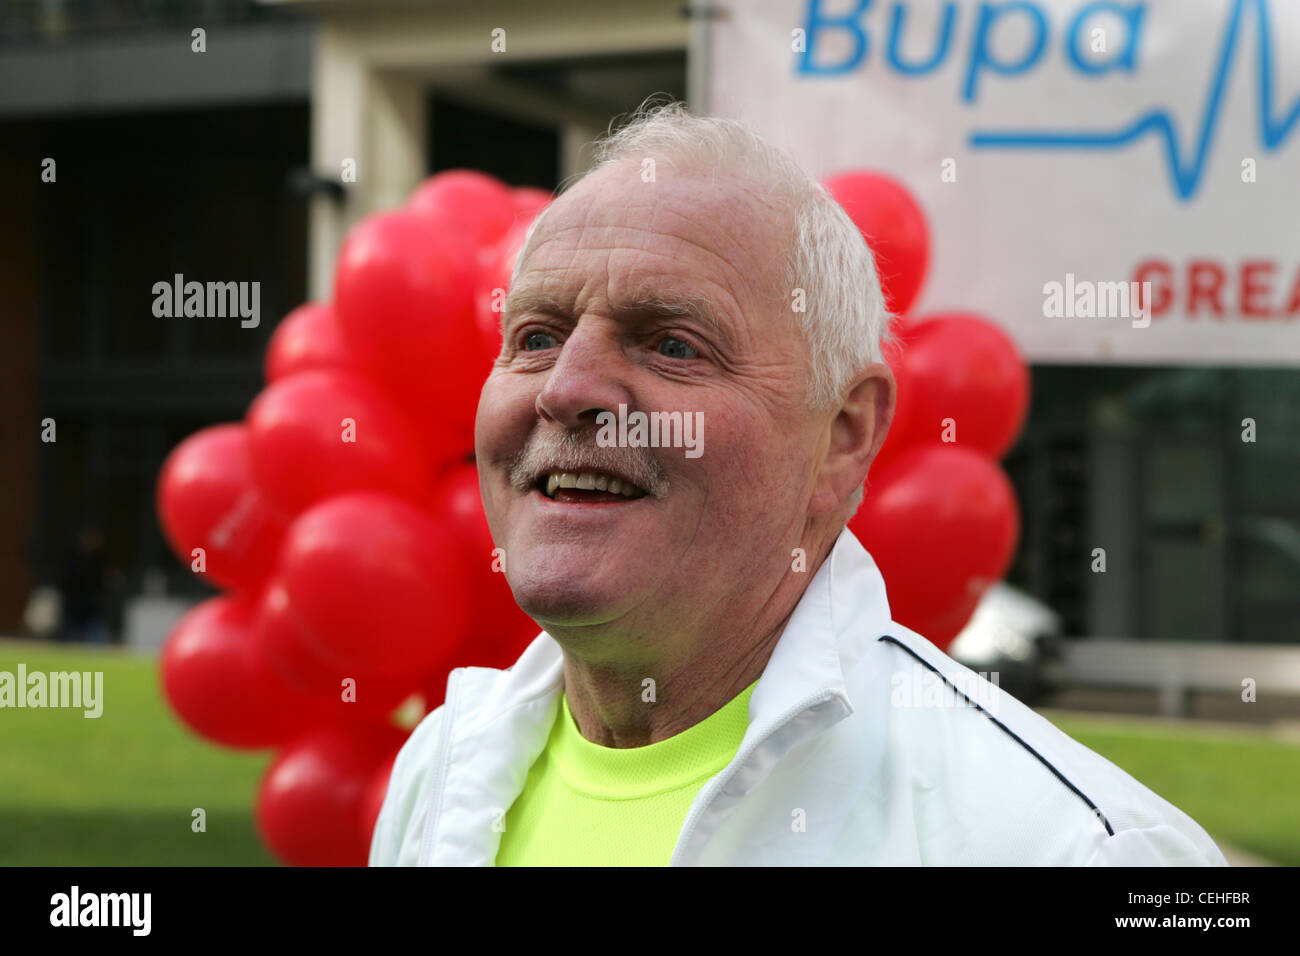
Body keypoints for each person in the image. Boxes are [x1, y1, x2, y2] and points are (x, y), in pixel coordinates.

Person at [370, 102, 1227, 866]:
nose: (564, 388)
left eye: (672, 344)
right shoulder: (445, 769)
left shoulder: (1076, 847)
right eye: (535, 335)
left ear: (843, 436)